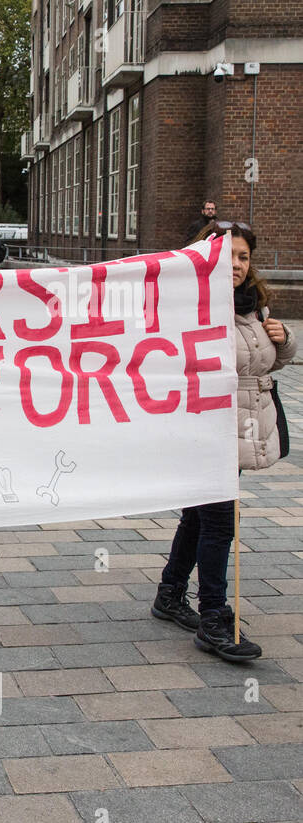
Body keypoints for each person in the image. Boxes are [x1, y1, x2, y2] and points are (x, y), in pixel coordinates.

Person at [151, 222, 295, 661]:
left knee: (198, 517)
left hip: (239, 429)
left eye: (243, 257)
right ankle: (214, 617)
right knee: (218, 523)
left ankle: (170, 594)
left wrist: (284, 341)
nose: (235, 264)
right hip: (204, 430)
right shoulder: (191, 306)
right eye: (227, 255)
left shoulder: (253, 307)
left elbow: (265, 364)